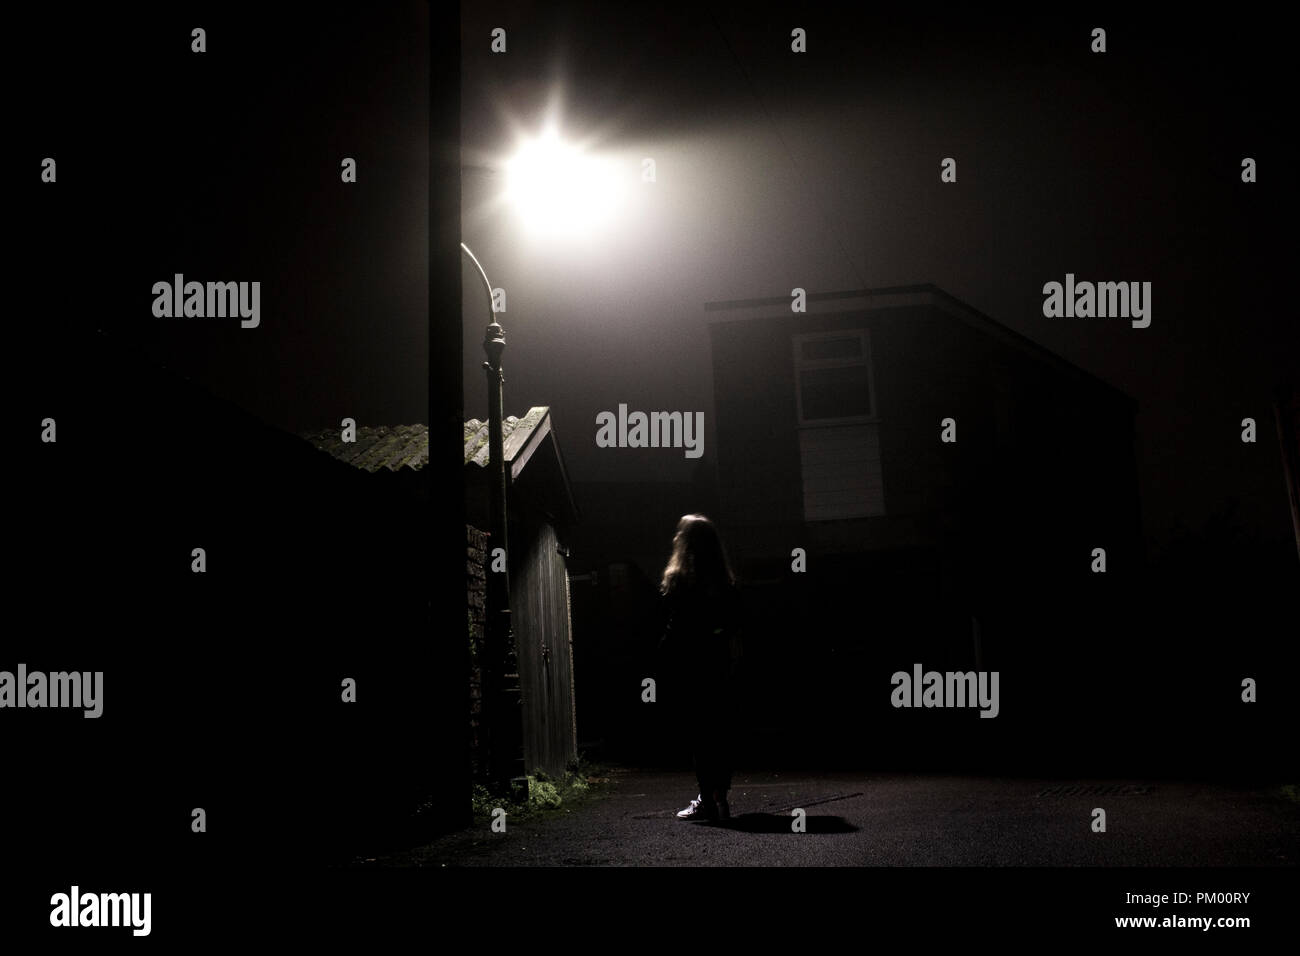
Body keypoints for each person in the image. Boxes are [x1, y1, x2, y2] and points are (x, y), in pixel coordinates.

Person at [656, 514, 742, 821]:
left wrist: (662, 659)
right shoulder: (723, 579)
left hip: (692, 668)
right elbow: (731, 625)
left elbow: (675, 627)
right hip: (719, 666)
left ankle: (708, 798)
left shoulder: (682, 579)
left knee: (700, 736)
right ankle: (720, 796)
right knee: (720, 733)